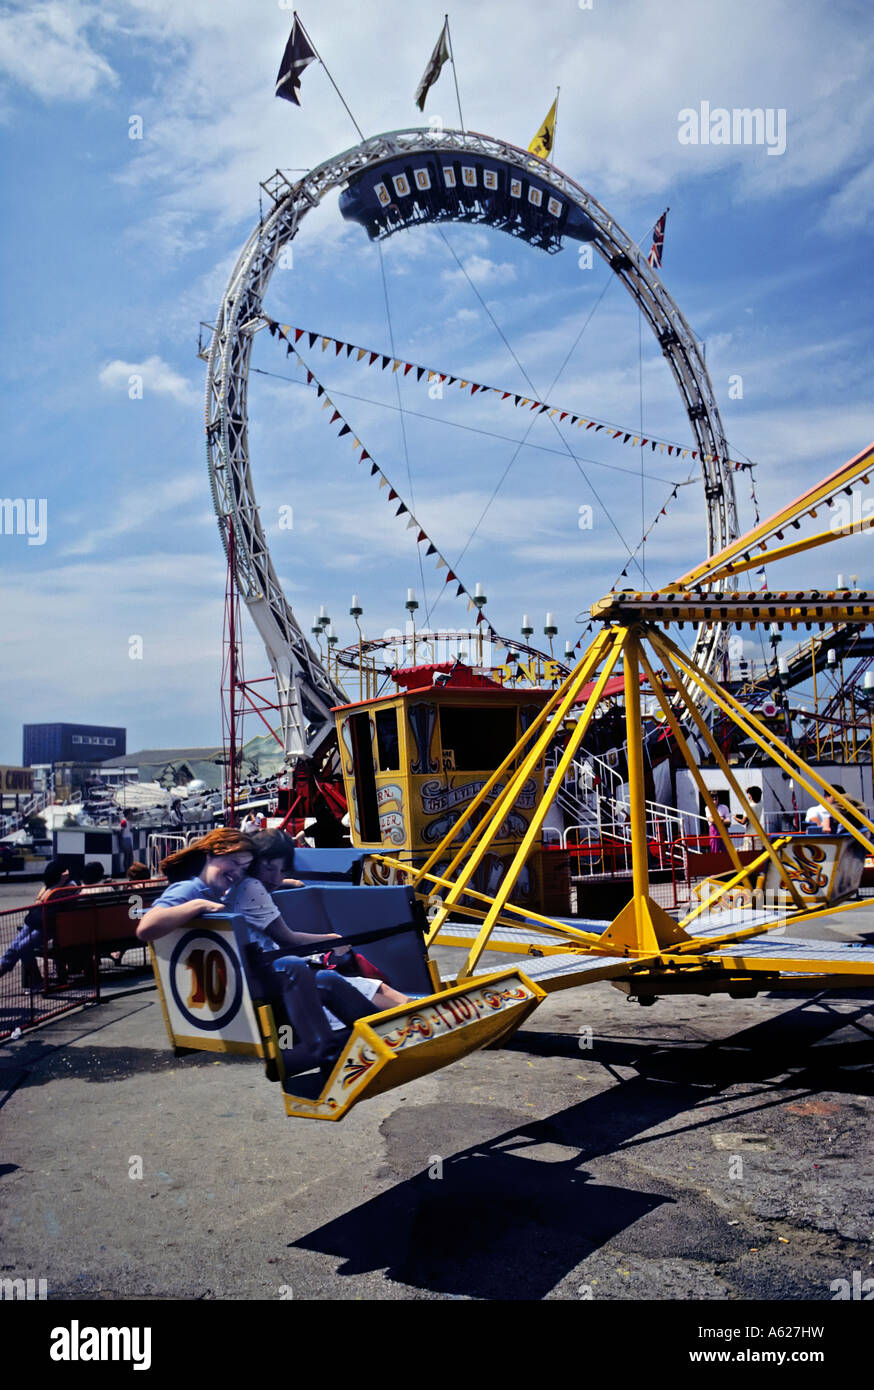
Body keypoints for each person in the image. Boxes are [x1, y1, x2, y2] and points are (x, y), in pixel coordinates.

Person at [135, 829, 374, 1064]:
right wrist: (197, 905)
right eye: (234, 862)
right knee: (291, 966)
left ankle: (376, 1034)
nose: (237, 873)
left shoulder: (218, 892)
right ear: (210, 855)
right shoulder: (191, 890)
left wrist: (285, 882)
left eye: (244, 868)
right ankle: (321, 1050)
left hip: (241, 973)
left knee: (327, 981)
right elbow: (146, 927)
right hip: (229, 981)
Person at [229, 831, 408, 1016]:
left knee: (377, 988)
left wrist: (288, 883)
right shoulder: (252, 887)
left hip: (267, 971)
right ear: (254, 862)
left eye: (282, 870)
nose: (276, 878)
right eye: (269, 868)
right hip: (278, 976)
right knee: (367, 989)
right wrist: (332, 940)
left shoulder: (239, 884)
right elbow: (287, 939)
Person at [0, 861, 80, 988]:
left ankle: (31, 978)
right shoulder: (50, 885)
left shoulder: (71, 885)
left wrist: (57, 884)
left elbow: (47, 898)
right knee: (15, 947)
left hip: (50, 925)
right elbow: (38, 902)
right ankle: (32, 979)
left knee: (22, 947)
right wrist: (53, 885)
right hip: (36, 921)